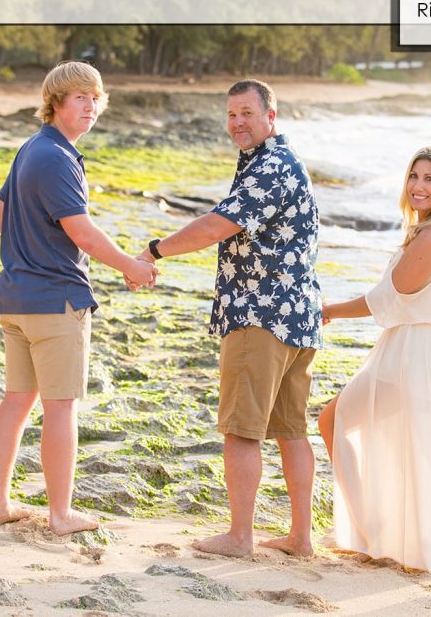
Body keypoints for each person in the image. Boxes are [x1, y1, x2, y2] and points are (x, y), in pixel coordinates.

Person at [0, 62, 157, 535]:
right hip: (55, 300)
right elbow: (80, 231)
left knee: (17, 400)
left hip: (17, 298)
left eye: (95, 97)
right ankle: (60, 514)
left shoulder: (31, 150)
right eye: (79, 97)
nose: (90, 106)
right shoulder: (57, 157)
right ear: (55, 102)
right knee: (60, 406)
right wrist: (132, 266)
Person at [136, 79, 323, 557]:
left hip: (260, 316)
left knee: (242, 429)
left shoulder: (271, 167)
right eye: (231, 115)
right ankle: (300, 538)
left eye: (246, 113)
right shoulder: (279, 162)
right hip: (297, 318)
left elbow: (218, 224)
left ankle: (240, 537)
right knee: (291, 429)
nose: (237, 123)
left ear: (270, 116)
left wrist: (157, 249)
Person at [317, 146, 431, 574]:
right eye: (414, 176)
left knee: (336, 422)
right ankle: (388, 534)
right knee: (418, 445)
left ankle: (376, 531)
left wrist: (329, 310)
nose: (419, 186)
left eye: (430, 178)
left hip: (416, 356)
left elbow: (385, 299)